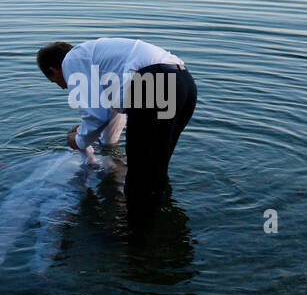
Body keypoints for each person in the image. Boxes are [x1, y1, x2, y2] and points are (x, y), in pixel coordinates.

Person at [37, 37, 196, 205]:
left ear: (54, 71)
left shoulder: (71, 60)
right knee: (156, 169)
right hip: (183, 82)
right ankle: (160, 218)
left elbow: (97, 116)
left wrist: (77, 140)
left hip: (152, 83)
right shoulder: (103, 61)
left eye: (56, 82)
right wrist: (107, 148)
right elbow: (112, 114)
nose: (63, 87)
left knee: (138, 181)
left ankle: (134, 229)